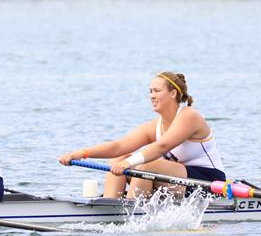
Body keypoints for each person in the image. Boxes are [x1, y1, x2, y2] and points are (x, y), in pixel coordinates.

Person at [58, 71, 226, 198]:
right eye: (150, 91)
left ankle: (130, 211)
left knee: (146, 165)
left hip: (209, 184)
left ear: (173, 93)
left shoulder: (189, 116)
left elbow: (162, 146)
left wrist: (128, 163)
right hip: (179, 181)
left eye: (157, 91)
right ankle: (111, 205)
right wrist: (81, 153)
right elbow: (119, 146)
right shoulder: (155, 126)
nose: (151, 96)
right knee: (118, 159)